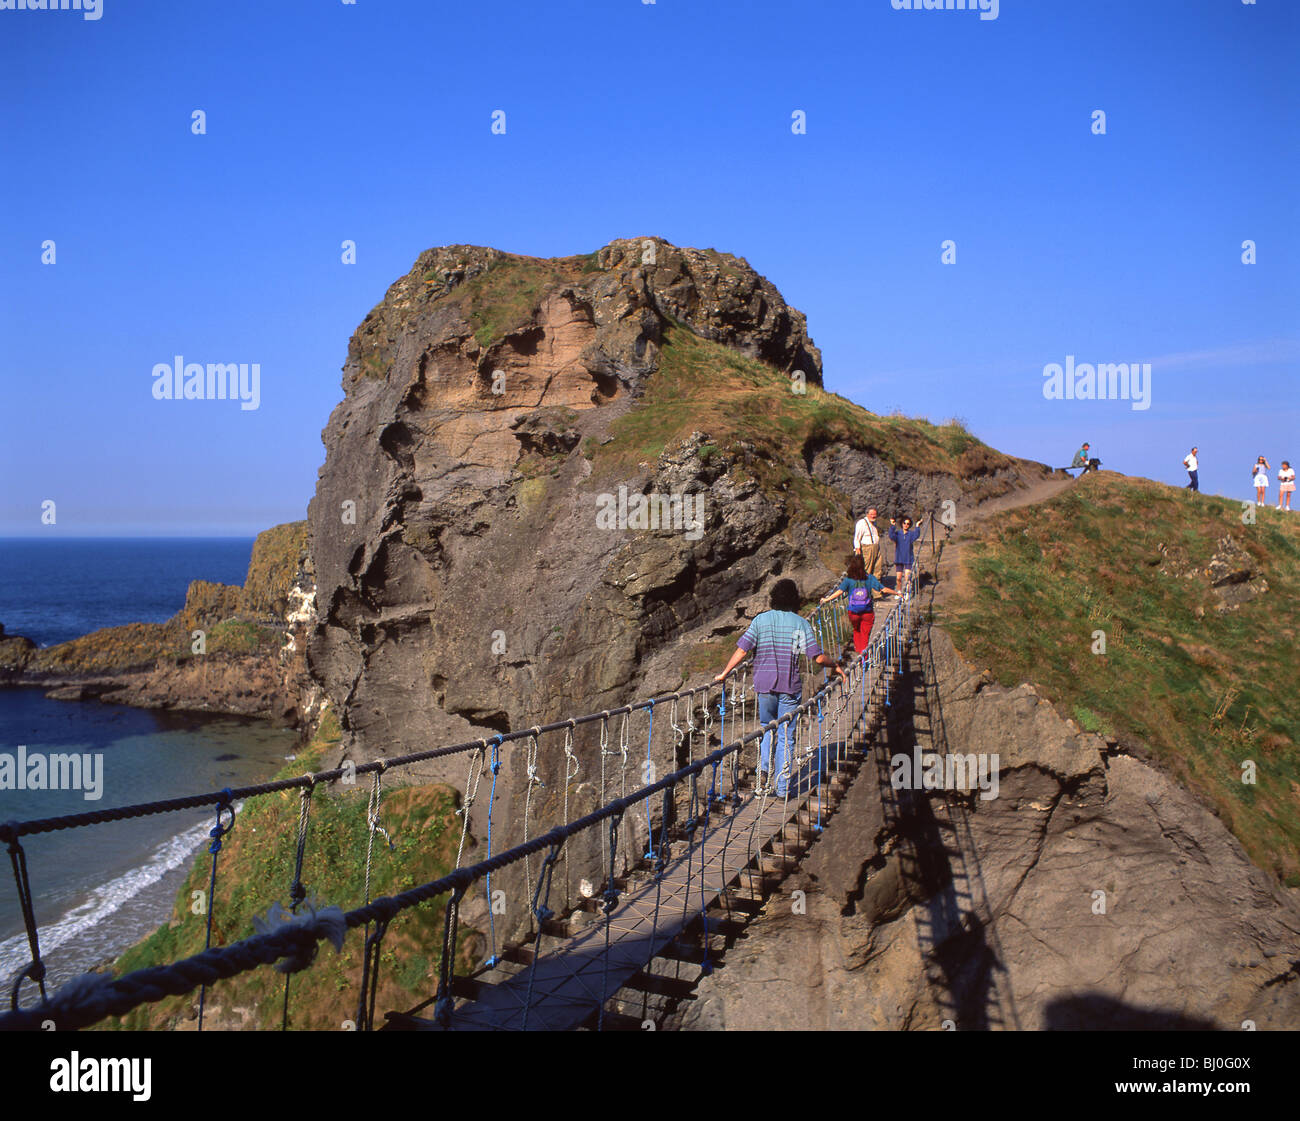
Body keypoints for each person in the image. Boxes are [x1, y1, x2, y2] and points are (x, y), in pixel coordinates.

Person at [715, 579, 847, 798]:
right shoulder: (801, 624)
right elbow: (818, 658)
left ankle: (764, 769)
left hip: (764, 685)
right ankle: (783, 788)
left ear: (774, 598)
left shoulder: (760, 621)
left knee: (767, 728)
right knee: (786, 736)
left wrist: (724, 673)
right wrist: (836, 664)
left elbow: (742, 650)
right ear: (794, 599)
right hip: (789, 687)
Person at [819, 552, 901, 655]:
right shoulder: (869, 578)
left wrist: (827, 599)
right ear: (863, 565)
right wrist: (897, 593)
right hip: (867, 612)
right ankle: (863, 657)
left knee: (856, 630)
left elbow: (839, 592)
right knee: (865, 635)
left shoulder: (848, 580)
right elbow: (883, 589)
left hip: (853, 612)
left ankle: (858, 651)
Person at [887, 515, 923, 592]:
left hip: (908, 559)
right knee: (898, 578)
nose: (906, 525)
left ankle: (907, 592)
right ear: (901, 524)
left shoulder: (911, 534)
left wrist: (917, 526)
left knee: (907, 578)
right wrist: (892, 526)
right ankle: (899, 592)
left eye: (908, 524)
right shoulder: (897, 534)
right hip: (899, 559)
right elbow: (891, 536)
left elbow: (917, 535)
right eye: (904, 523)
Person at [852, 507, 886, 583]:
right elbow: (857, 538)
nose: (873, 516)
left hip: (876, 548)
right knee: (867, 570)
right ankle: (863, 591)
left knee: (877, 569)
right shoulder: (862, 523)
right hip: (867, 549)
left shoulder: (874, 523)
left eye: (875, 514)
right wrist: (857, 549)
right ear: (867, 514)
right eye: (871, 514)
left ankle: (876, 592)